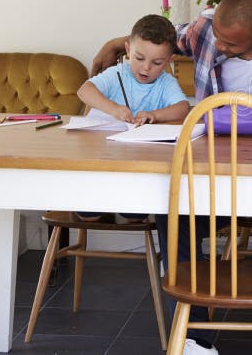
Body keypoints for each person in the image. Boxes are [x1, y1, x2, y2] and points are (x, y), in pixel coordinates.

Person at [92, 0, 252, 355]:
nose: (217, 46)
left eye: (229, 44)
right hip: (216, 168)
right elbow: (166, 37)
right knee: (172, 214)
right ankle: (193, 334)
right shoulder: (206, 27)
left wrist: (234, 111)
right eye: (216, 38)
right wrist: (117, 44)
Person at [76, 14, 189, 222]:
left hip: (139, 170)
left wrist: (154, 115)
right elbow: (84, 91)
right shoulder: (117, 74)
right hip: (101, 164)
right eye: (139, 58)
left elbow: (182, 108)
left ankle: (125, 204)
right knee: (87, 214)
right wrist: (114, 109)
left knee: (135, 213)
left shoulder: (165, 83)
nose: (146, 68)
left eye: (156, 62)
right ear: (128, 50)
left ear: (169, 61)